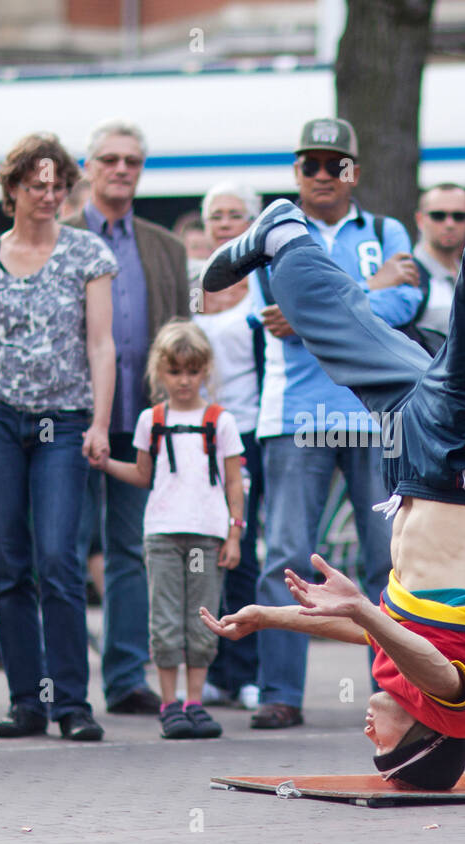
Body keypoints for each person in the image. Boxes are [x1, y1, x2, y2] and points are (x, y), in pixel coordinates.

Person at [200, 26, 465, 788]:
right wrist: (357, 606)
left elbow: (364, 625)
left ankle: (283, 236)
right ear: (425, 735)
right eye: (382, 745)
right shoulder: (450, 691)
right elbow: (388, 631)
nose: (368, 733)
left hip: (417, 456)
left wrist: (268, 616)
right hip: (462, 462)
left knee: (341, 329)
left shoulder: (398, 662)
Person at [0, 132, 116, 741]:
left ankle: (72, 704)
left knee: (59, 559)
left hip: (63, 423)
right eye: (36, 184)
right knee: (10, 566)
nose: (49, 195)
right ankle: (26, 702)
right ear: (12, 190)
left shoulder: (87, 253)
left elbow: (101, 343)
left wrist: (101, 424)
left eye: (58, 184)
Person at [247, 114, 423, 730]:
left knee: (390, 559)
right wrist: (371, 286)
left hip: (376, 419)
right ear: (296, 172)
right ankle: (279, 693)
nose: (322, 174)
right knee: (287, 553)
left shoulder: (386, 227)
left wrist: (323, 308)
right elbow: (270, 316)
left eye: (335, 164)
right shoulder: (273, 231)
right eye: (309, 165)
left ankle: (396, 688)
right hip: (297, 418)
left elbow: (407, 304)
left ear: (354, 172)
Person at [65, 120, 190, 717]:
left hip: (143, 421)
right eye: (109, 159)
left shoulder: (163, 247)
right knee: (61, 550)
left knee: (131, 551)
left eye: (132, 161)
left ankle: (123, 679)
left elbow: (183, 340)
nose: (121, 169)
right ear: (87, 167)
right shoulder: (57, 237)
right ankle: (57, 687)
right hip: (67, 420)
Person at [96, 321, 245, 739]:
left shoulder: (221, 421)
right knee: (164, 621)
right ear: (160, 372)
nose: (184, 381)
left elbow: (235, 482)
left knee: (201, 619)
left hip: (207, 535)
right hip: (162, 534)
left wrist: (235, 533)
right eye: (175, 371)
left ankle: (194, 701)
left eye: (193, 371)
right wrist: (107, 464)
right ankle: (169, 703)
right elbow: (144, 473)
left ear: (206, 372)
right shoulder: (151, 420)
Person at [194, 181, 264, 709]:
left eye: (235, 214)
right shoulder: (192, 287)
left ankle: (246, 671)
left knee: (241, 551)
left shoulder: (268, 284)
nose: (224, 222)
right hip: (195, 439)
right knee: (201, 554)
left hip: (251, 437)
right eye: (215, 214)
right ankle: (208, 670)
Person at [409, 184, 465, 354]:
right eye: (438, 215)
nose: (449, 224)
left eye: (459, 216)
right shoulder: (405, 275)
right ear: (420, 220)